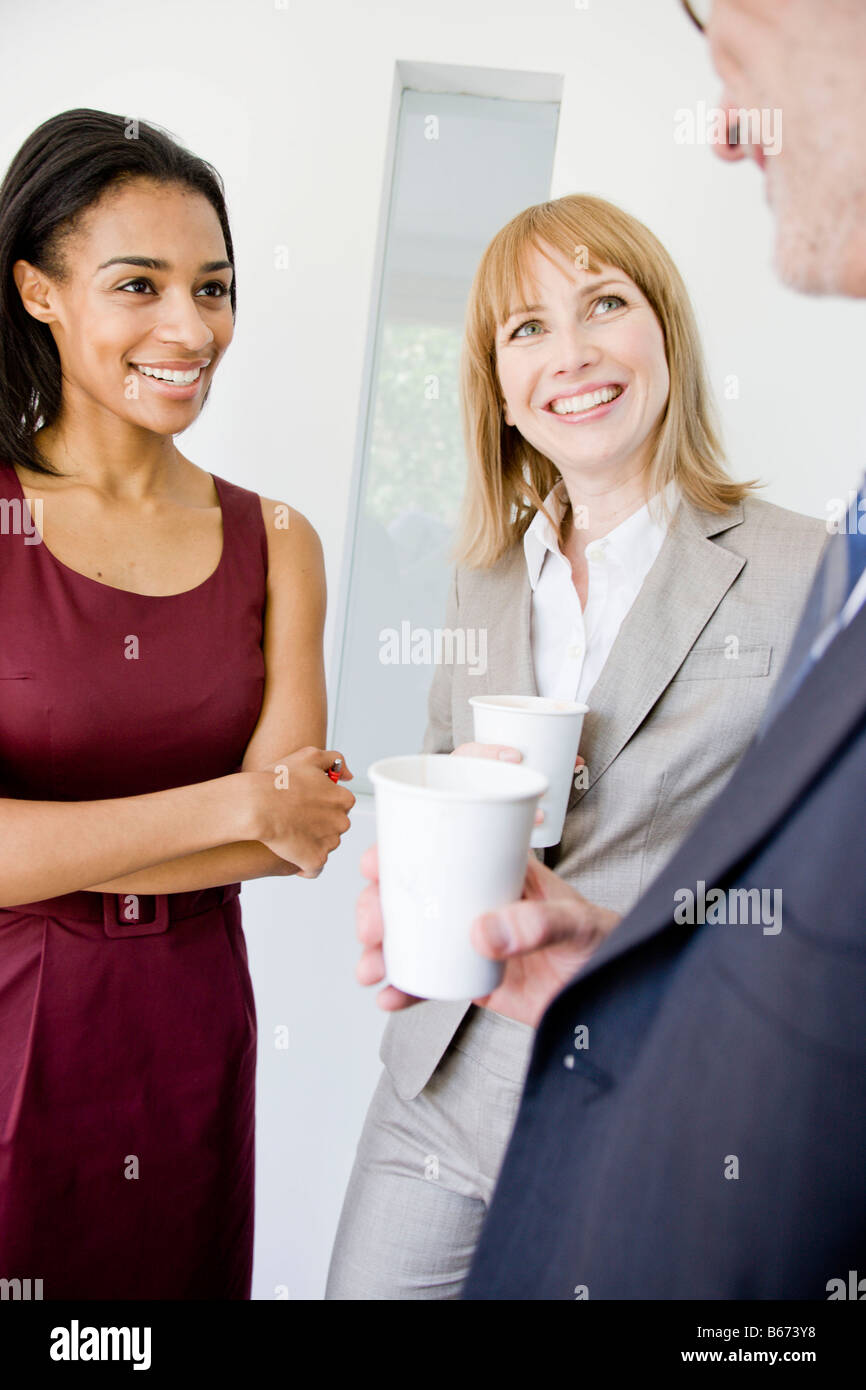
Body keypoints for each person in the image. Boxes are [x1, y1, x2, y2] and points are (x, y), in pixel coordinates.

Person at [356, 0, 866, 1300]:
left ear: (663, 336)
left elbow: (791, 883)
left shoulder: (807, 564)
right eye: (525, 329)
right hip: (436, 1086)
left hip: (626, 1097)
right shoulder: (479, 574)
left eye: (602, 305)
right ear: (495, 381)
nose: (568, 352)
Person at [0, 108, 354, 1299]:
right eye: (137, 284)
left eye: (213, 287)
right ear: (39, 293)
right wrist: (228, 800)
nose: (188, 328)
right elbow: (256, 805)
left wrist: (54, 839)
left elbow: (295, 831)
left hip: (192, 1030)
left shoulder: (280, 539)